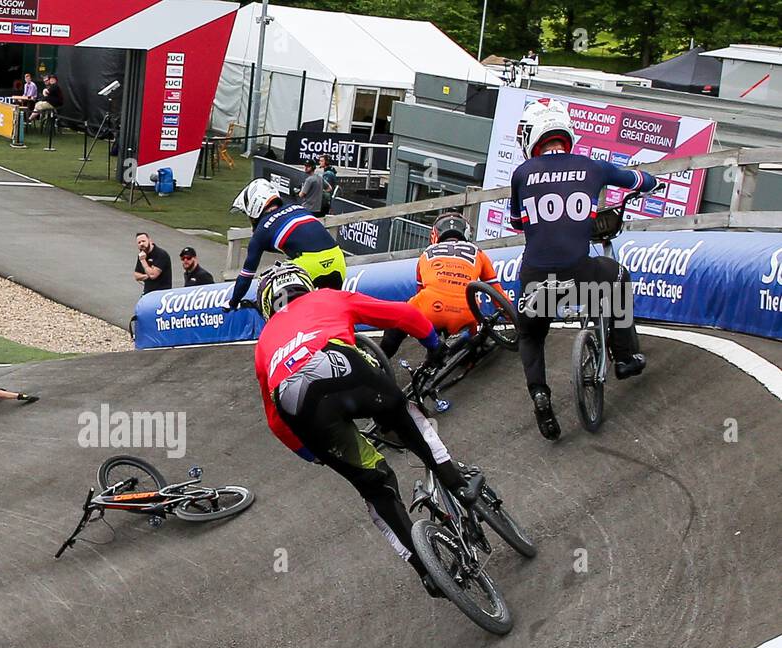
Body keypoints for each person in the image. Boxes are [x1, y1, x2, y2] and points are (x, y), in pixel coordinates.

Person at [253, 264, 476, 596]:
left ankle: (424, 569)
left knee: (375, 486)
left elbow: (275, 422)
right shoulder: (327, 297)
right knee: (402, 416)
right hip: (337, 365)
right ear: (304, 286)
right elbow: (402, 314)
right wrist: (433, 344)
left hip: (296, 402)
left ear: (269, 305)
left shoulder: (263, 344)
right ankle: (457, 484)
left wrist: (313, 453)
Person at [509, 98, 658, 440]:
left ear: (532, 138)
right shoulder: (594, 167)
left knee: (530, 334)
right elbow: (639, 180)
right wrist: (652, 182)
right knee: (616, 277)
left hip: (536, 279)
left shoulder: (521, 174)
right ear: (565, 132)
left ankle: (540, 395)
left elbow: (518, 222)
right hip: (579, 272)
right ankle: (625, 358)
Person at [380, 212, 506, 359]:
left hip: (431, 310)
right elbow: (498, 294)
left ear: (435, 234)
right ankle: (468, 349)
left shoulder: (425, 254)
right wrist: (515, 319)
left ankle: (377, 363)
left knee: (399, 320)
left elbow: (421, 291)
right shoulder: (479, 253)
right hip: (467, 315)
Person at [228, 178, 345, 311]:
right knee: (331, 309)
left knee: (271, 290)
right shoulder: (299, 208)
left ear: (254, 207)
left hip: (309, 266)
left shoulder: (262, 231)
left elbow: (246, 276)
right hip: (337, 258)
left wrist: (232, 302)